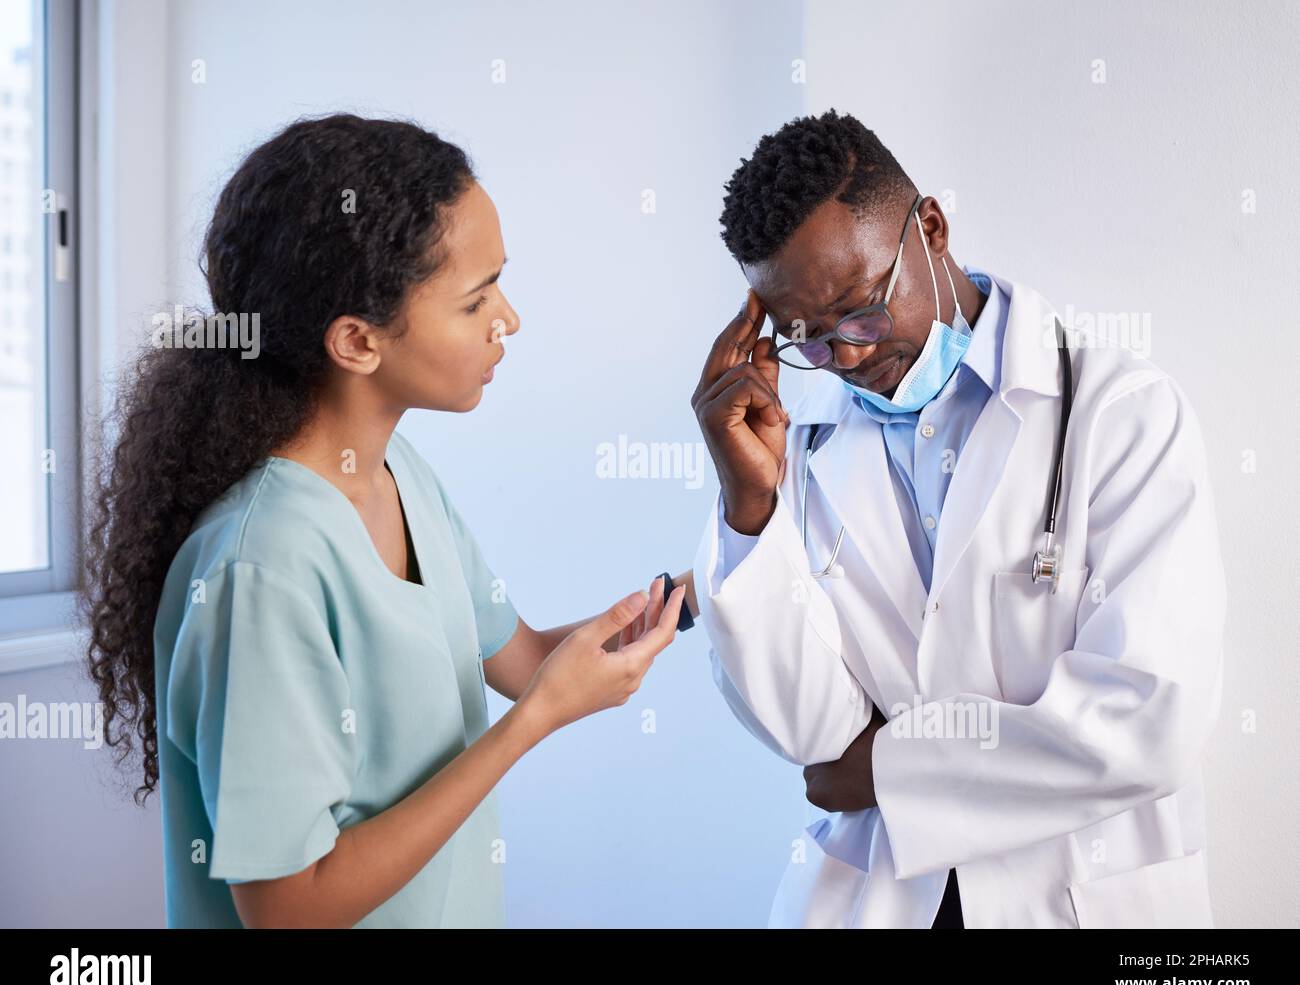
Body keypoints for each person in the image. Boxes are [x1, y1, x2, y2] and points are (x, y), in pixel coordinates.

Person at [80, 113, 687, 929]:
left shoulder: (403, 480)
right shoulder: (259, 572)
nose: (509, 319)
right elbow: (288, 910)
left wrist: (717, 581)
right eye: (475, 301)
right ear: (358, 342)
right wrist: (529, 727)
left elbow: (531, 660)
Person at [688, 109, 1226, 929]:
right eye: (811, 340)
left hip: (1081, 898)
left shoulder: (1120, 414)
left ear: (930, 228)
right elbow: (814, 735)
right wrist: (749, 505)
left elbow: (1147, 716)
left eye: (862, 309)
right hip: (879, 899)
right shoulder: (799, 454)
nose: (852, 355)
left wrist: (891, 769)